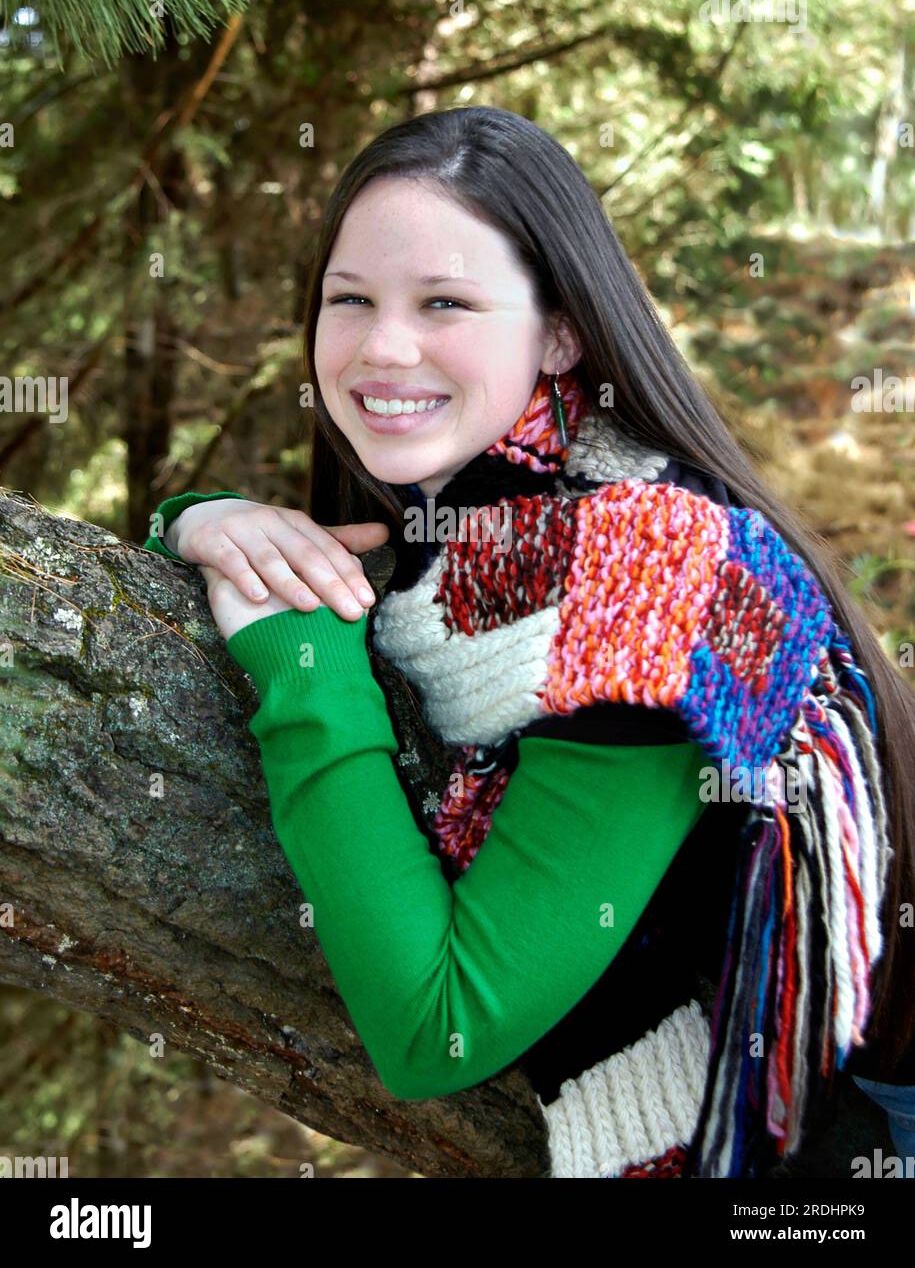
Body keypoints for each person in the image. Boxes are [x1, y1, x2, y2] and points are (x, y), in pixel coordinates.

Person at [144, 105, 915, 1179]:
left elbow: (435, 1030)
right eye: (349, 299)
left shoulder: (645, 591)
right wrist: (202, 518)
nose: (382, 346)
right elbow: (332, 564)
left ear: (561, 331)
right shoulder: (474, 524)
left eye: (446, 301)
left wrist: (303, 656)